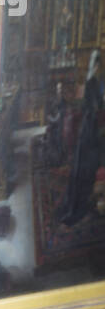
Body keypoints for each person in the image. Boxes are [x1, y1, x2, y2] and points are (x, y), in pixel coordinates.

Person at [60, 50, 105, 226]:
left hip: (91, 131)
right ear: (96, 66)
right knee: (86, 169)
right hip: (91, 134)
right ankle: (82, 205)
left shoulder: (93, 81)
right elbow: (95, 109)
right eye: (98, 66)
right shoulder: (92, 82)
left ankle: (84, 203)